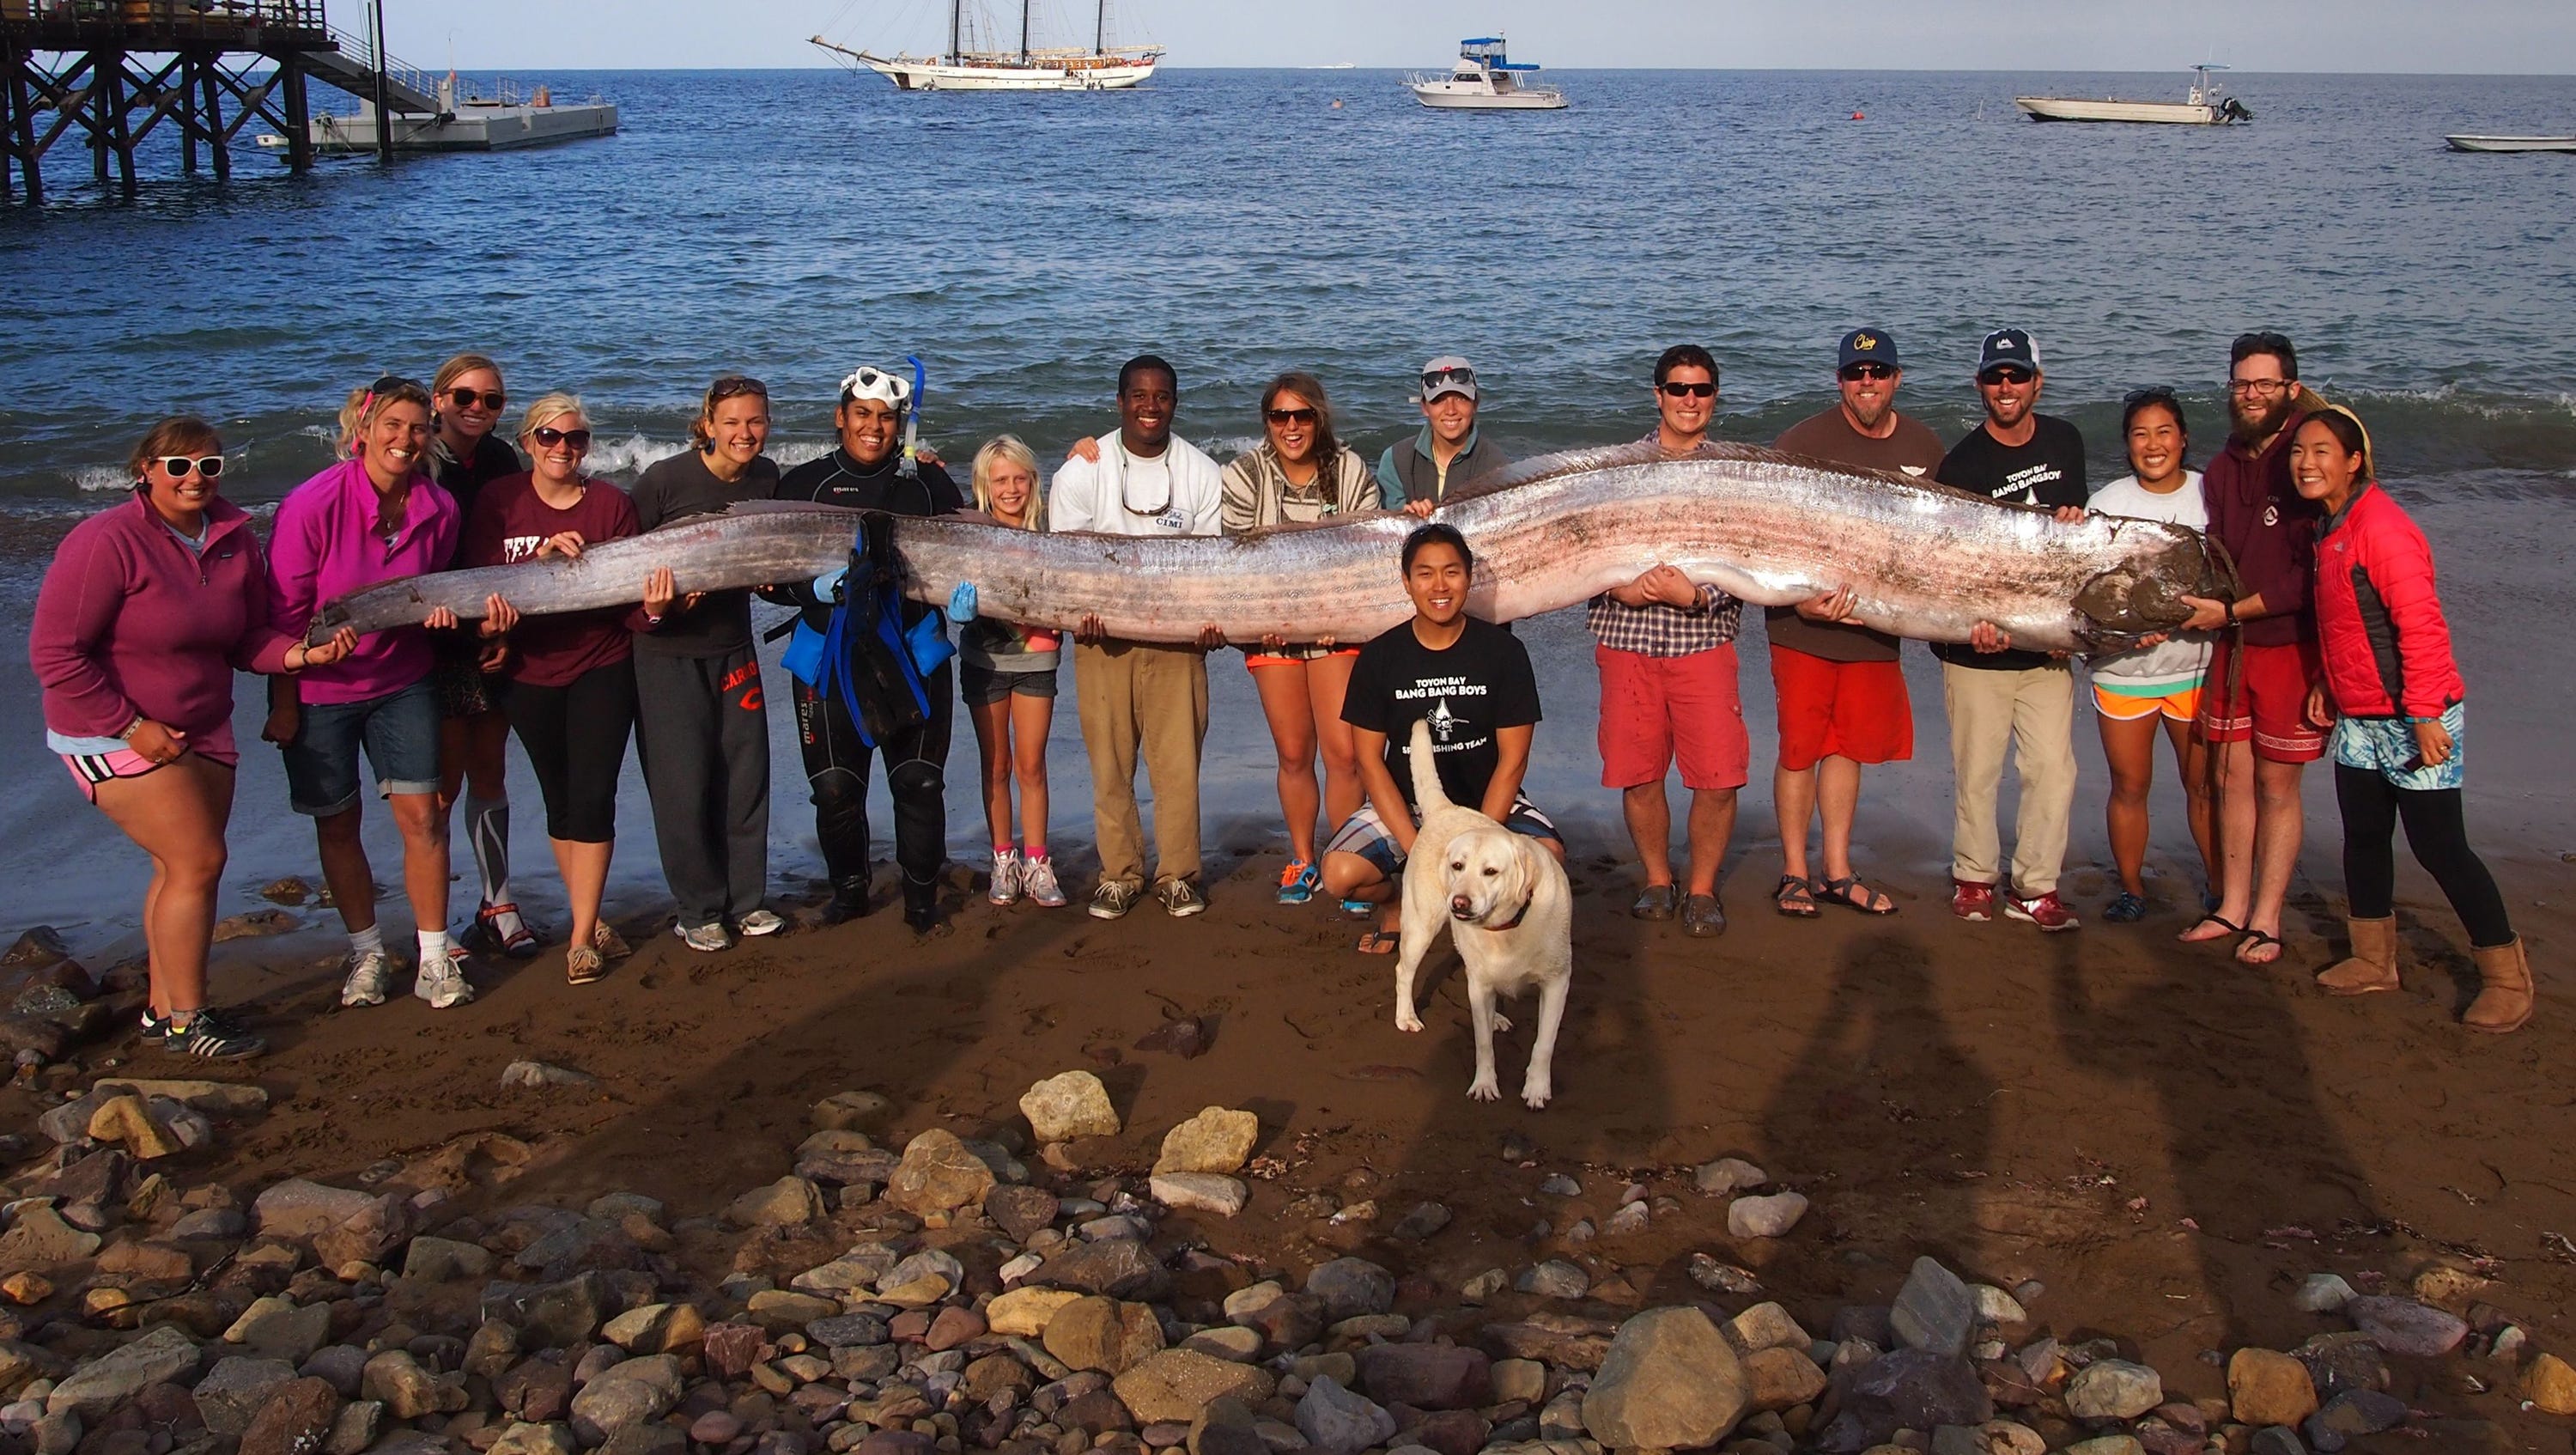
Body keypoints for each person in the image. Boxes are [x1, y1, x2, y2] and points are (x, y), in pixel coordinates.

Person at [30, 418, 355, 1058]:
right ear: (145, 470)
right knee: (198, 862)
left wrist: (302, 658)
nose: (194, 479)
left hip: (202, 725)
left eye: (208, 467)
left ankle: (159, 1011)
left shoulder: (234, 541)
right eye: (178, 466)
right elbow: (56, 655)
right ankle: (189, 1019)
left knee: (175, 866)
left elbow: (247, 640)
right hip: (110, 730)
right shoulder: (105, 540)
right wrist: (130, 726)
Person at [2295, 408, 2530, 1032]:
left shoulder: (2384, 529)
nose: (2305, 462)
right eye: (2298, 451)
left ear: (2353, 461)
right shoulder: (2330, 526)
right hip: (2360, 716)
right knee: (2364, 838)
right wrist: (2327, 679)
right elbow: (2345, 620)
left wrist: (2426, 715)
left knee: (2440, 847)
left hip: (2414, 715)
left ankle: (2506, 976)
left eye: (2322, 451)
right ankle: (2374, 960)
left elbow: (2421, 628)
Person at [268, 377, 482, 1010]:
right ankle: (366, 954)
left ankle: (435, 958)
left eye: (418, 428)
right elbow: (283, 614)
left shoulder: (439, 509)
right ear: (361, 430)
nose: (405, 440)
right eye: (392, 426)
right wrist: (283, 702)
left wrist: (440, 618)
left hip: (402, 680)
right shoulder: (310, 505)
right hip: (317, 687)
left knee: (424, 816)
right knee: (338, 824)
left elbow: (429, 592)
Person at [770, 363, 964, 933]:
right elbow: (768, 578)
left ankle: (922, 902)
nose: (874, 426)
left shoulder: (927, 484)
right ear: (840, 417)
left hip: (913, 652)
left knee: (919, 782)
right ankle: (850, 893)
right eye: (862, 414)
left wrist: (964, 602)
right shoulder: (804, 484)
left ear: (899, 423)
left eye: (885, 416)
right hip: (826, 656)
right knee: (834, 788)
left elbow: (970, 560)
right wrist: (809, 588)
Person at [460, 395, 646, 986]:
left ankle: (582, 934)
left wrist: (660, 606)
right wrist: (537, 567)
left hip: (601, 664)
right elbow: (480, 589)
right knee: (560, 796)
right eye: (550, 437)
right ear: (527, 442)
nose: (563, 448)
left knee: (594, 795)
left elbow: (629, 603)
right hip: (526, 669)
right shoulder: (499, 501)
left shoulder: (612, 505)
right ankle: (588, 920)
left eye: (576, 439)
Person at [1321, 521, 1561, 955]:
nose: (1439, 586)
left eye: (1452, 572)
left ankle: (1490, 933)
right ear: (1407, 581)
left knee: (1547, 862)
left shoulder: (1504, 652)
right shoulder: (1379, 657)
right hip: (1411, 806)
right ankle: (1396, 905)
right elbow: (1369, 762)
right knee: (1340, 875)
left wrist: (1483, 836)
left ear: (1469, 578)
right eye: (1425, 573)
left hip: (1488, 801)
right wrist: (1421, 853)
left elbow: (1513, 761)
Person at [1765, 328, 1942, 918]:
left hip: (1874, 631)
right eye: (1855, 374)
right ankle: (1794, 871)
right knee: (1799, 750)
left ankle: (1837, 870)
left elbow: (1943, 546)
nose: (1867, 383)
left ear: (1897, 378)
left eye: (1879, 372)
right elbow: (1761, 531)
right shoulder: (1801, 440)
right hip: (1803, 629)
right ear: (1839, 380)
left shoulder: (1925, 445)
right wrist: (1796, 602)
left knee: (1848, 749)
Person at [1048, 354, 1225, 920]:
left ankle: (1179, 875)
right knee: (1110, 764)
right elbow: (1067, 562)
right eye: (1140, 396)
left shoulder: (1202, 471)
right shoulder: (1081, 470)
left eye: (1163, 396)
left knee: (1177, 768)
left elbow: (1213, 565)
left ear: (1175, 402)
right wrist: (1084, 612)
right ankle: (1119, 875)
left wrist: (1210, 623)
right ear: (1120, 400)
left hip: (1179, 644)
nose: (1151, 406)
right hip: (1101, 642)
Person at [2175, 332, 2328, 965]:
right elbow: (2217, 559)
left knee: (2275, 785)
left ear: (2290, 389)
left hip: (2289, 645)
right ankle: (2232, 904)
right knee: (2229, 778)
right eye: (2242, 383)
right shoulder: (2221, 468)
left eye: (2265, 383)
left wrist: (2233, 611)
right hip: (2231, 647)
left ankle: (2267, 918)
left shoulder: (2306, 460)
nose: (2252, 394)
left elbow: (2310, 575)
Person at [1933, 329, 2089, 932]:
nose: (2006, 387)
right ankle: (1974, 879)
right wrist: (1975, 624)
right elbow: (1948, 563)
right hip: (1977, 649)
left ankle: (2035, 888)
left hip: (2046, 649)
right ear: (1980, 386)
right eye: (1995, 377)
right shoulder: (1962, 463)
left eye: (2016, 376)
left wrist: (2066, 625)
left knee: (2053, 769)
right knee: (1978, 770)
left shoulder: (2065, 440)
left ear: (2036, 383)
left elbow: (2070, 549)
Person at [1590, 344, 1744, 937]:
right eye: (1677, 389)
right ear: (1657, 395)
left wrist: (1699, 597)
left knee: (1720, 777)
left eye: (1701, 390)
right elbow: (1580, 546)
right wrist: (1617, 588)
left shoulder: (1734, 473)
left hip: (1703, 641)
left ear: (1714, 398)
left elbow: (1757, 552)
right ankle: (1658, 877)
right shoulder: (1615, 469)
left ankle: (1702, 888)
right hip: (1626, 639)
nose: (1689, 400)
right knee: (1638, 772)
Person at [629, 375, 783, 951]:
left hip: (734, 646)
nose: (746, 433)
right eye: (734, 422)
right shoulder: (663, 481)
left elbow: (776, 555)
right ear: (708, 426)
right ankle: (697, 908)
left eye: (757, 421)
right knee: (683, 784)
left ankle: (747, 901)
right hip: (666, 654)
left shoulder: (767, 479)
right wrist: (656, 608)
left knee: (746, 776)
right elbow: (619, 562)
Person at [1220, 371, 1382, 904]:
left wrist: (1339, 614)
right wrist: (1260, 618)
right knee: (1293, 754)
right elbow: (1237, 560)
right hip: (1271, 632)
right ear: (1267, 423)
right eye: (1280, 417)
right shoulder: (1244, 475)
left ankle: (1346, 858)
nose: (1292, 426)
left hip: (1337, 628)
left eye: (1302, 415)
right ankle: (1302, 859)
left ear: (1319, 417)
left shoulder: (1350, 470)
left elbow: (1366, 553)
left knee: (1344, 755)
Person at [2085, 388, 2218, 922]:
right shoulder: (2107, 502)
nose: (2153, 444)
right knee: (2130, 785)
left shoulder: (2213, 496)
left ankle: (2220, 886)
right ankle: (2133, 889)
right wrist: (2122, 630)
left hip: (2197, 671)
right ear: (2127, 444)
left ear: (2183, 438)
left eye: (2164, 432)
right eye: (2140, 434)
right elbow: (2090, 591)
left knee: (2203, 786)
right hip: (2123, 672)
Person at [427, 353, 537, 961]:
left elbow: (509, 549)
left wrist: (501, 630)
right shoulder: (419, 459)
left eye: (492, 401)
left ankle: (498, 902)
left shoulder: (498, 460)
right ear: (438, 399)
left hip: (490, 626)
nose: (477, 410)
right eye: (465, 398)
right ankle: (433, 920)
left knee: (489, 769)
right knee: (440, 783)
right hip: (430, 635)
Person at [960, 435, 1067, 910]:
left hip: (1038, 658)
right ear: (984, 485)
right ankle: (1003, 857)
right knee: (997, 765)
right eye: (1000, 480)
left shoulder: (1050, 529)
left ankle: (1038, 861)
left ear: (1033, 480)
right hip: (983, 660)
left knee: (1031, 765)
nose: (1010, 488)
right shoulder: (970, 530)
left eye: (1019, 478)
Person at [1376, 356, 1510, 515]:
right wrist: (1404, 516)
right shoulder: (1395, 460)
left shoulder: (1495, 464)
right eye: (1438, 400)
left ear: (1475, 405)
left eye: (1460, 398)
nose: (1451, 410)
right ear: (1424, 407)